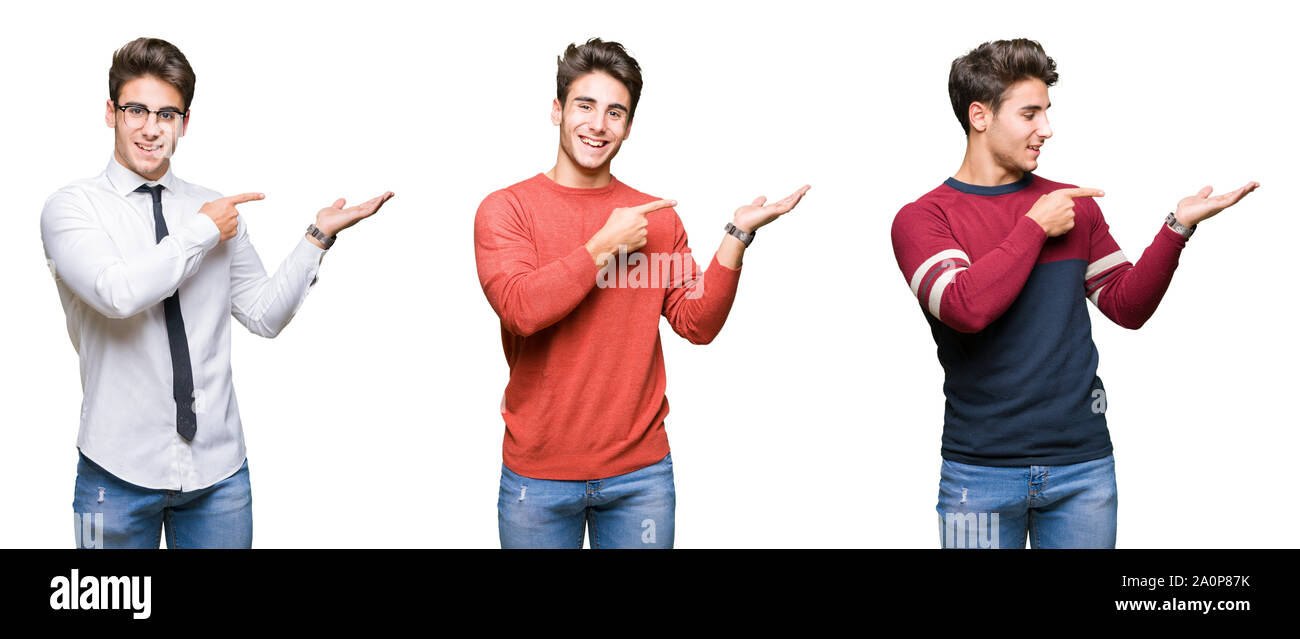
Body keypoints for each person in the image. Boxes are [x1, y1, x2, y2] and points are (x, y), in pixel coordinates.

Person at [890, 38, 1257, 549]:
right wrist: (1033, 227)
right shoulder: (924, 218)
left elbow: (1126, 307)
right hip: (979, 477)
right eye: (1029, 113)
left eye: (1047, 112)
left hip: (1083, 471)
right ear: (980, 115)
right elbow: (964, 307)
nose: (1047, 128)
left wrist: (1177, 227)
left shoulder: (1073, 206)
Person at [42, 37, 393, 548]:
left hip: (219, 475)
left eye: (167, 114)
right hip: (113, 475)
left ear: (184, 123)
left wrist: (317, 238)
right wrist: (202, 231)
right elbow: (116, 293)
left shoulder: (213, 209)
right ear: (110, 112)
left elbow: (263, 315)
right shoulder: (72, 208)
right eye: (136, 109)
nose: (150, 127)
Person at [474, 38, 810, 548]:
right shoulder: (507, 209)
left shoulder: (655, 218)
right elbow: (521, 310)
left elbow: (696, 324)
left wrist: (737, 237)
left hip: (640, 478)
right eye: (584, 106)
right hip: (538, 477)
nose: (597, 124)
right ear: (557, 110)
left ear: (628, 126)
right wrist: (603, 246)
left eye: (615, 112)